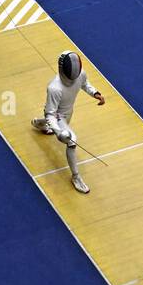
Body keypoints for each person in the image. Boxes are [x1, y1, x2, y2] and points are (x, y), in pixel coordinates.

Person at [31, 50, 105, 194]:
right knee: (71, 141)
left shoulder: (80, 74)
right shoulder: (55, 88)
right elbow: (50, 114)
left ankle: (39, 124)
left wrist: (95, 93)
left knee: (53, 127)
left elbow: (85, 84)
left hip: (68, 113)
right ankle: (76, 177)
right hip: (58, 116)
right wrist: (59, 131)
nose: (73, 78)